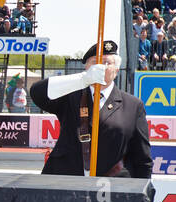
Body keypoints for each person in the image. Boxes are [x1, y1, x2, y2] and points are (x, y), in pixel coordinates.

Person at [30, 40, 152, 178]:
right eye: (94, 63)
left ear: (117, 70)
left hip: (111, 188)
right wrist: (82, 79)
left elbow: (142, 158)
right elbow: (37, 92)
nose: (100, 67)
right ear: (86, 68)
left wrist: (142, 195)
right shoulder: (70, 95)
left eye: (107, 63)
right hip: (66, 182)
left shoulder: (133, 105)